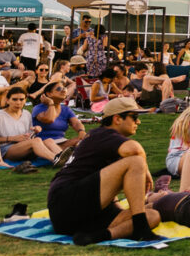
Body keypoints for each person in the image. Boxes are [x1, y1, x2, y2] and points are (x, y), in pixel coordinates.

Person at [44, 98, 161, 245]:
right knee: (136, 161)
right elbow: (135, 150)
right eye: (134, 117)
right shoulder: (103, 135)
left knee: (153, 215)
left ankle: (99, 236)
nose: (138, 122)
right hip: (67, 200)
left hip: (78, 215)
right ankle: (141, 228)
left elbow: (102, 182)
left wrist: (121, 211)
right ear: (117, 119)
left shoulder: (105, 141)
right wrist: (146, 171)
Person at [0, 86, 63, 164]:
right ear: (7, 100)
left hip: (24, 146)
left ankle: (68, 160)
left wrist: (35, 130)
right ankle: (56, 159)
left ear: (25, 100)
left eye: (21, 99)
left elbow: (29, 136)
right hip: (5, 150)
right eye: (14, 99)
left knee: (49, 141)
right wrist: (12, 138)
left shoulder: (26, 113)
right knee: (36, 141)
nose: (18, 102)